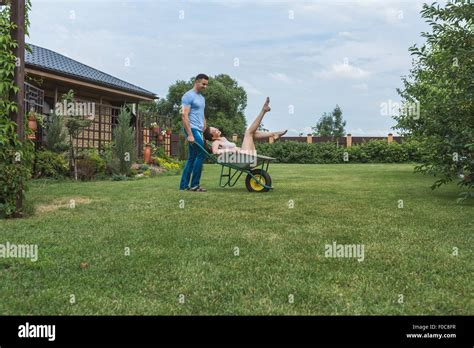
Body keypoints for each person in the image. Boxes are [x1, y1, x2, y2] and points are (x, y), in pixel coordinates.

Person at [203, 97, 286, 155]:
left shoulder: (223, 139)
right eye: (214, 131)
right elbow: (215, 152)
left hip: (245, 155)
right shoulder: (216, 142)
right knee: (248, 132)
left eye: (216, 128)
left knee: (252, 132)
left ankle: (273, 133)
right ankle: (264, 111)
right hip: (243, 157)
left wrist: (233, 150)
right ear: (213, 137)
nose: (217, 129)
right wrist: (230, 150)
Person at [179, 73, 209, 192]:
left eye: (206, 84)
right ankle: (195, 185)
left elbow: (202, 114)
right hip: (192, 129)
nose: (205, 86)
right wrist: (190, 134)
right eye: (203, 84)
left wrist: (205, 127)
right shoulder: (188, 96)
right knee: (202, 154)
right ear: (197, 82)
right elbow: (184, 115)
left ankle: (184, 186)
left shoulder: (202, 98)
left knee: (192, 157)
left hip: (199, 130)